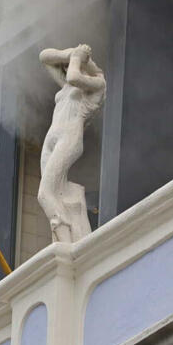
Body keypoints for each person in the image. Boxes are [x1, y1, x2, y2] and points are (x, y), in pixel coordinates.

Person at [38, 43, 106, 243]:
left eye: (71, 63)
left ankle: (65, 244)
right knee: (61, 195)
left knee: (45, 194)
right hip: (52, 139)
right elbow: (44, 56)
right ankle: (75, 235)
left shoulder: (98, 83)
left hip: (69, 138)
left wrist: (77, 58)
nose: (67, 66)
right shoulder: (68, 88)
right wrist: (71, 53)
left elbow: (74, 77)